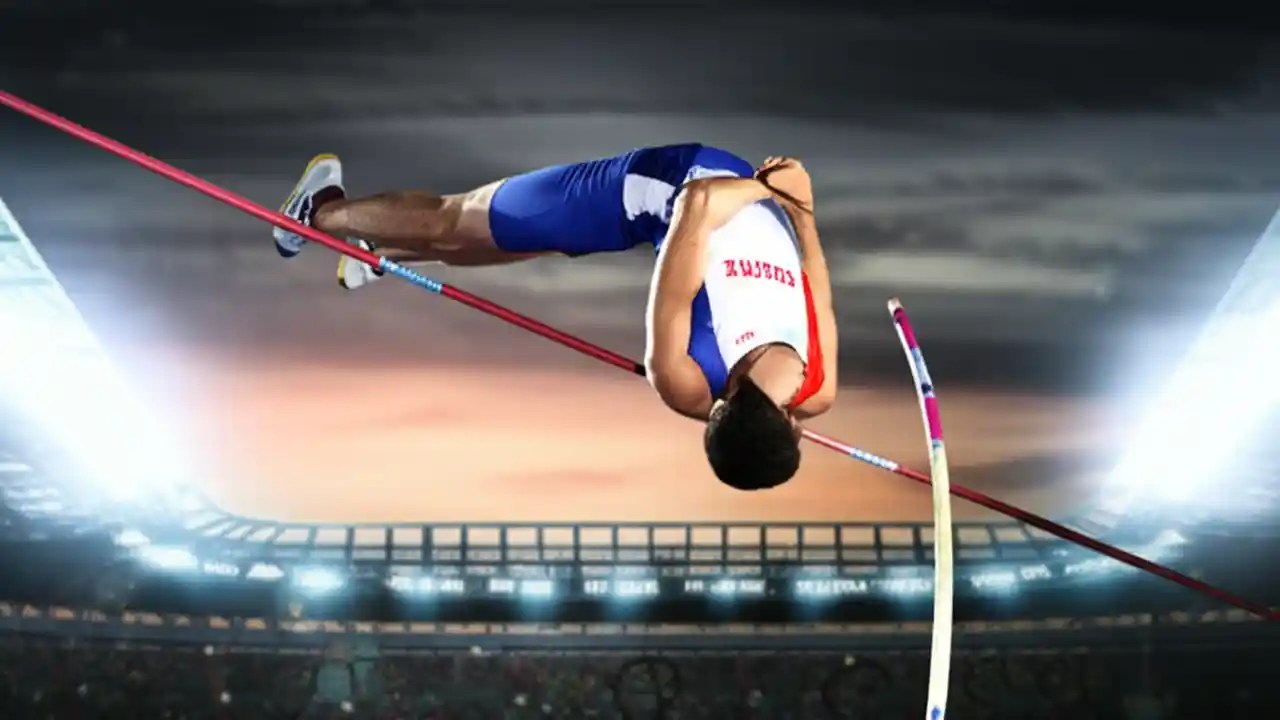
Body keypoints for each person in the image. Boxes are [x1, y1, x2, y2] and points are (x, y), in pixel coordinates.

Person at [272, 144, 838, 490]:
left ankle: (379, 241)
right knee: (460, 220)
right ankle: (322, 212)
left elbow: (697, 213)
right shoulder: (815, 387)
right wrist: (800, 211)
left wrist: (775, 195)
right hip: (669, 181)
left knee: (514, 239)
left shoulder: (684, 380)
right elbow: (708, 207)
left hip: (697, 207)